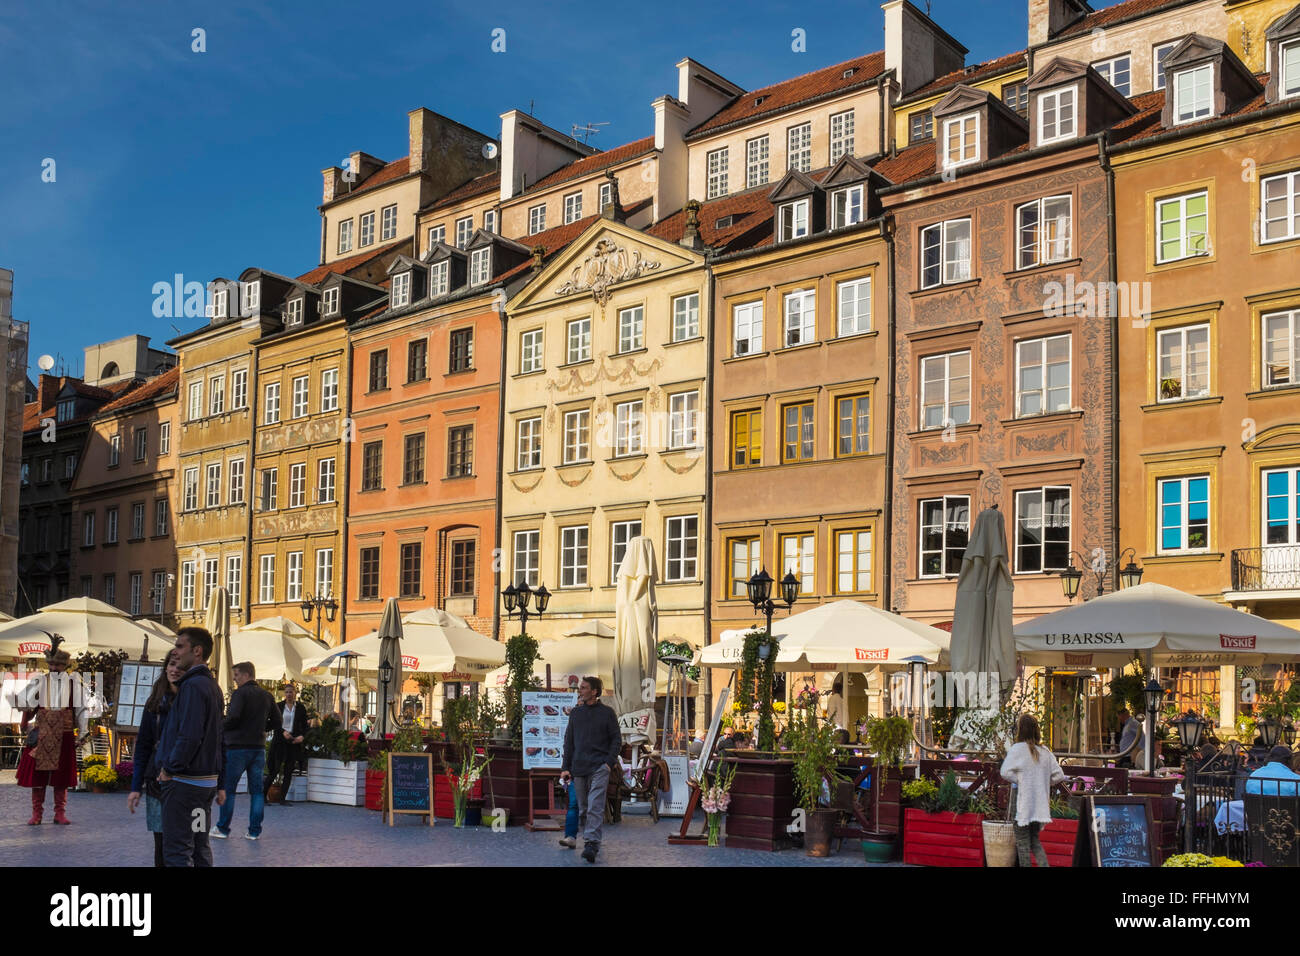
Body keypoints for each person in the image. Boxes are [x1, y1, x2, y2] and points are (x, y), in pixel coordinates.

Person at [156, 627, 225, 867]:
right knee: (199, 846)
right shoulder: (211, 686)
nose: (175, 652)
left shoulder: (193, 686)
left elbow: (190, 735)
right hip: (204, 784)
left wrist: (169, 768)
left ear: (197, 651)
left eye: (179, 646)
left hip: (185, 785)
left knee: (177, 849)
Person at [15, 649, 89, 825]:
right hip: (42, 734)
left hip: (64, 734)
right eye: (51, 664)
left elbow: (81, 709)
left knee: (61, 776)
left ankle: (59, 813)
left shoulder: (74, 684)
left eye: (58, 664)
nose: (54, 667)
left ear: (65, 665)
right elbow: (23, 702)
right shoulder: (39, 681)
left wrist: (84, 730)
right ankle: (37, 814)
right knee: (37, 777)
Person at [127, 650, 183, 866]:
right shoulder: (155, 702)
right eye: (171, 664)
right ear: (165, 667)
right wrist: (135, 787)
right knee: (161, 842)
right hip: (156, 781)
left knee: (194, 841)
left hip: (189, 782)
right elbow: (142, 746)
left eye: (180, 665)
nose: (175, 669)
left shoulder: (194, 699)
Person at [559, 675, 621, 863]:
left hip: (599, 767)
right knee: (584, 808)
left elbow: (616, 740)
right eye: (581, 687)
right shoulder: (576, 714)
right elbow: (568, 742)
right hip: (579, 767)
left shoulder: (607, 713)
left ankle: (591, 844)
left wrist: (608, 763)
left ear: (594, 691)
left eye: (584, 687)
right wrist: (565, 767)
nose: (581, 690)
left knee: (595, 805)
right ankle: (590, 838)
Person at [213, 661, 275, 841]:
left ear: (247, 675)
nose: (234, 679)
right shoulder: (267, 695)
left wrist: (220, 727)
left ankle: (223, 828)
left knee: (228, 789)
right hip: (258, 748)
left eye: (236, 675)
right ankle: (254, 832)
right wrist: (262, 728)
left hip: (237, 747)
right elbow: (277, 722)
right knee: (256, 791)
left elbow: (234, 718)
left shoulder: (240, 693)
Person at [1000, 714, 1065, 868]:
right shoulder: (1045, 751)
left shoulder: (1017, 749)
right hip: (1039, 804)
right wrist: (1040, 782)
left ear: (1020, 730)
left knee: (1022, 842)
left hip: (1022, 801)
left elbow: (1005, 772)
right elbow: (1059, 775)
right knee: (1034, 840)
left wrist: (1023, 780)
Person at [265, 684, 308, 805]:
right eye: (287, 692)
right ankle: (263, 795)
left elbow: (305, 726)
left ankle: (282, 798)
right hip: (280, 740)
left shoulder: (300, 708)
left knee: (289, 770)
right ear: (285, 694)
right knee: (275, 769)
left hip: (293, 741)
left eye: (291, 692)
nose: (289, 694)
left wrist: (302, 736)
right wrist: (282, 732)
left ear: (295, 693)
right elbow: (273, 723)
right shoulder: (278, 706)